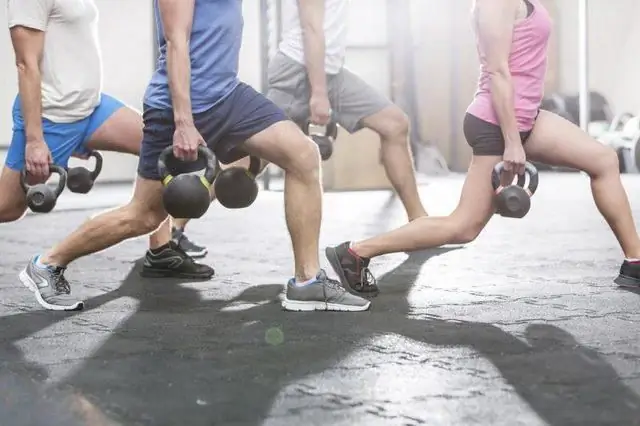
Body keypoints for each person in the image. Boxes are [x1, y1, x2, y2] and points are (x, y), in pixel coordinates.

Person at [20, 0, 371, 313]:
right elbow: (176, 40)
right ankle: (48, 263)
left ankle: (308, 282)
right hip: (179, 105)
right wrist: (183, 121)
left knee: (302, 155)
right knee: (144, 216)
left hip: (228, 95)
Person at [325, 0, 640, 295]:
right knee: (463, 226)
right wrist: (513, 141)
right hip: (498, 124)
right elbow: (498, 72)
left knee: (603, 160)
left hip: (527, 117)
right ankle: (355, 252)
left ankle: (635, 263)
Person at [5, 0, 214, 311]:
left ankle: (160, 249)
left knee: (159, 146)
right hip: (53, 116)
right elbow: (26, 64)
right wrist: (35, 139)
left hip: (92, 107)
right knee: (8, 208)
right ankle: (45, 267)